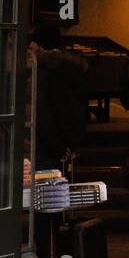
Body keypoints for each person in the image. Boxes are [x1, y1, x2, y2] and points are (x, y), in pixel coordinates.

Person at [28, 25, 89, 171]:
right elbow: (80, 107)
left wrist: (57, 147)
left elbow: (42, 113)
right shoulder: (73, 68)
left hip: (44, 146)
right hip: (67, 140)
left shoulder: (41, 72)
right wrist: (72, 144)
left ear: (39, 44)